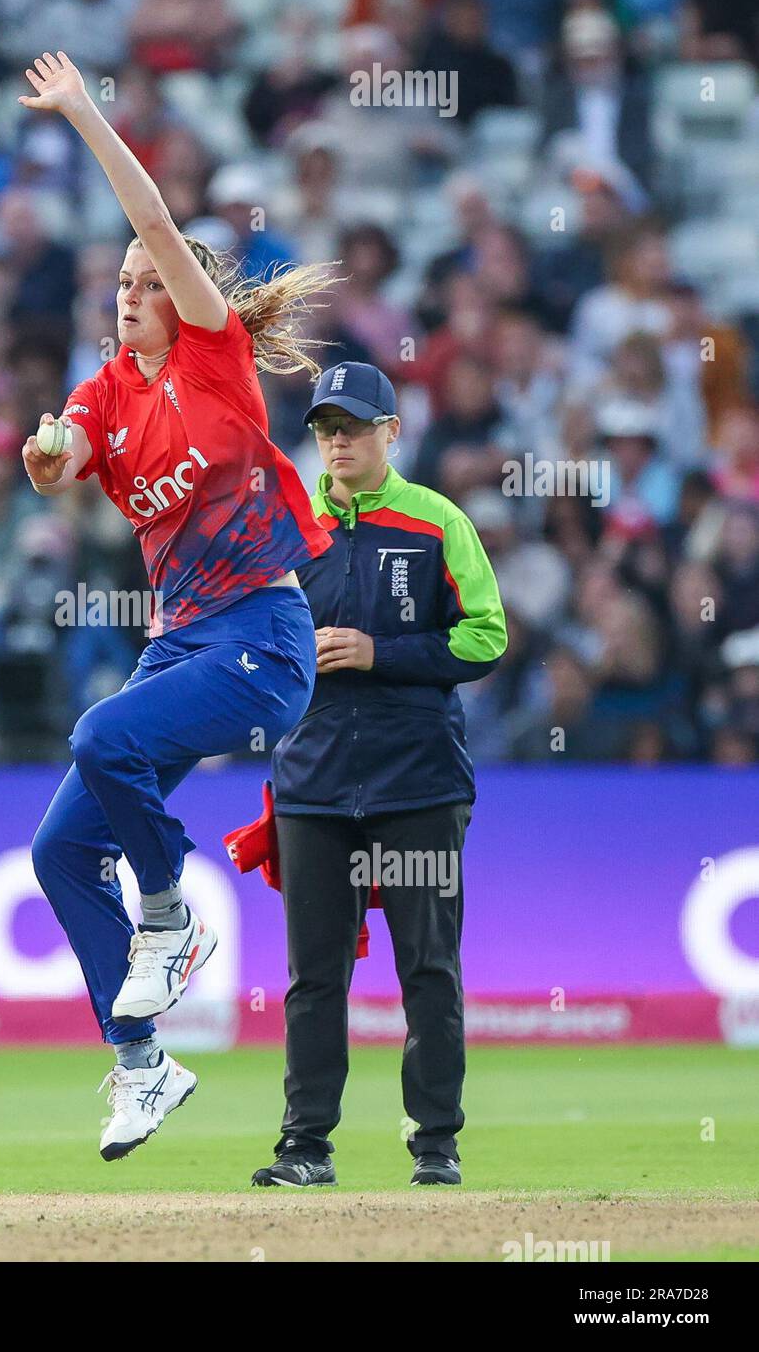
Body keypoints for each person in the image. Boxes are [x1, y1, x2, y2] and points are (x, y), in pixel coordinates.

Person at [18, 52, 335, 1161]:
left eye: (142, 279)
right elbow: (62, 459)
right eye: (118, 285)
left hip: (263, 638)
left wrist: (84, 115)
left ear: (181, 289)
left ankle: (170, 911)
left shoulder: (214, 358)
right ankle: (143, 1065)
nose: (127, 290)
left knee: (99, 733)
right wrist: (46, 460)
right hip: (181, 650)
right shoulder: (107, 385)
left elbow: (150, 216)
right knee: (57, 851)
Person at [249, 362, 507, 1189]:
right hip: (314, 785)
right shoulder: (285, 528)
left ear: (392, 432)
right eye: (326, 427)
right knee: (313, 977)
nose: (337, 441)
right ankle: (305, 1148)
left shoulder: (436, 522)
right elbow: (246, 640)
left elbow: (487, 637)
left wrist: (379, 654)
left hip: (419, 784)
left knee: (428, 967)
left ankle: (436, 1143)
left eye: (354, 427)